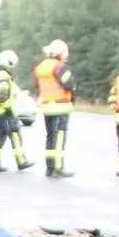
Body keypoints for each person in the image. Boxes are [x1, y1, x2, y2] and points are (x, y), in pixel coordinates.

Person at [33, 40, 75, 178]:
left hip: (47, 107)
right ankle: (59, 167)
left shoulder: (40, 67)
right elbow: (70, 84)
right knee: (60, 136)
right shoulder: (58, 67)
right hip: (61, 106)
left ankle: (49, 167)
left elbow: (38, 87)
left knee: (50, 136)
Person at [0, 50, 35, 173]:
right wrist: (10, 110)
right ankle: (21, 161)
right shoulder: (4, 78)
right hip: (6, 113)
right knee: (15, 135)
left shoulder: (0, 76)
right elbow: (2, 96)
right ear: (10, 63)